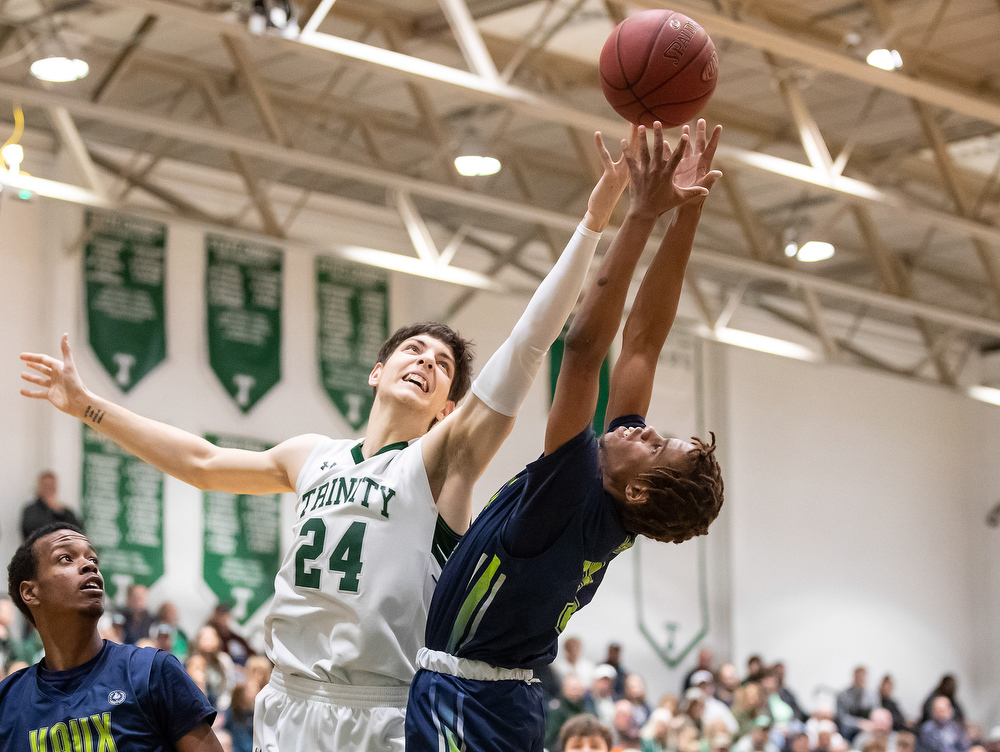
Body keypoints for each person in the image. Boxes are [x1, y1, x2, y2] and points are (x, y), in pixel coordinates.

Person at [20, 128, 632, 751]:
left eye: (442, 364)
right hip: (286, 700)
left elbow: (528, 346)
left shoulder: (443, 460)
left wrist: (593, 221)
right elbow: (201, 461)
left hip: (382, 706)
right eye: (412, 350)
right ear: (377, 372)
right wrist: (90, 407)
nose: (424, 361)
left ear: (448, 408)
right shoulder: (310, 455)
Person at [405, 120, 724, 752]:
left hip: (469, 698)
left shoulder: (574, 492)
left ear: (638, 492)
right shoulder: (614, 494)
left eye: (658, 447)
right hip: (498, 694)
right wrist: (685, 213)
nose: (648, 430)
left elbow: (582, 352)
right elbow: (643, 344)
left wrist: (639, 215)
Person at [0, 523, 223, 751]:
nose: (89, 565)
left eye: (93, 560)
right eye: (66, 558)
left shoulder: (153, 672)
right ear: (30, 592)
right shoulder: (7, 702)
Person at [20, 471, 82, 541]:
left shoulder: (65, 511)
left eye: (51, 485)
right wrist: (51, 509)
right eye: (45, 485)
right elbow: (32, 532)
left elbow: (78, 531)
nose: (48, 489)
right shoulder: (30, 510)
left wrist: (60, 512)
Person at [547, 674, 596, 750]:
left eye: (577, 689)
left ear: (582, 691)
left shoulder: (588, 709)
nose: (575, 692)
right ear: (564, 689)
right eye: (572, 688)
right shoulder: (556, 711)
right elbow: (550, 738)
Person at [836, 666, 875, 742]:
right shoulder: (843, 695)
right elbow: (841, 717)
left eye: (863, 676)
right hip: (849, 727)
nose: (860, 679)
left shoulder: (870, 695)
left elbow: (874, 712)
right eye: (858, 676)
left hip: (866, 726)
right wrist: (858, 723)